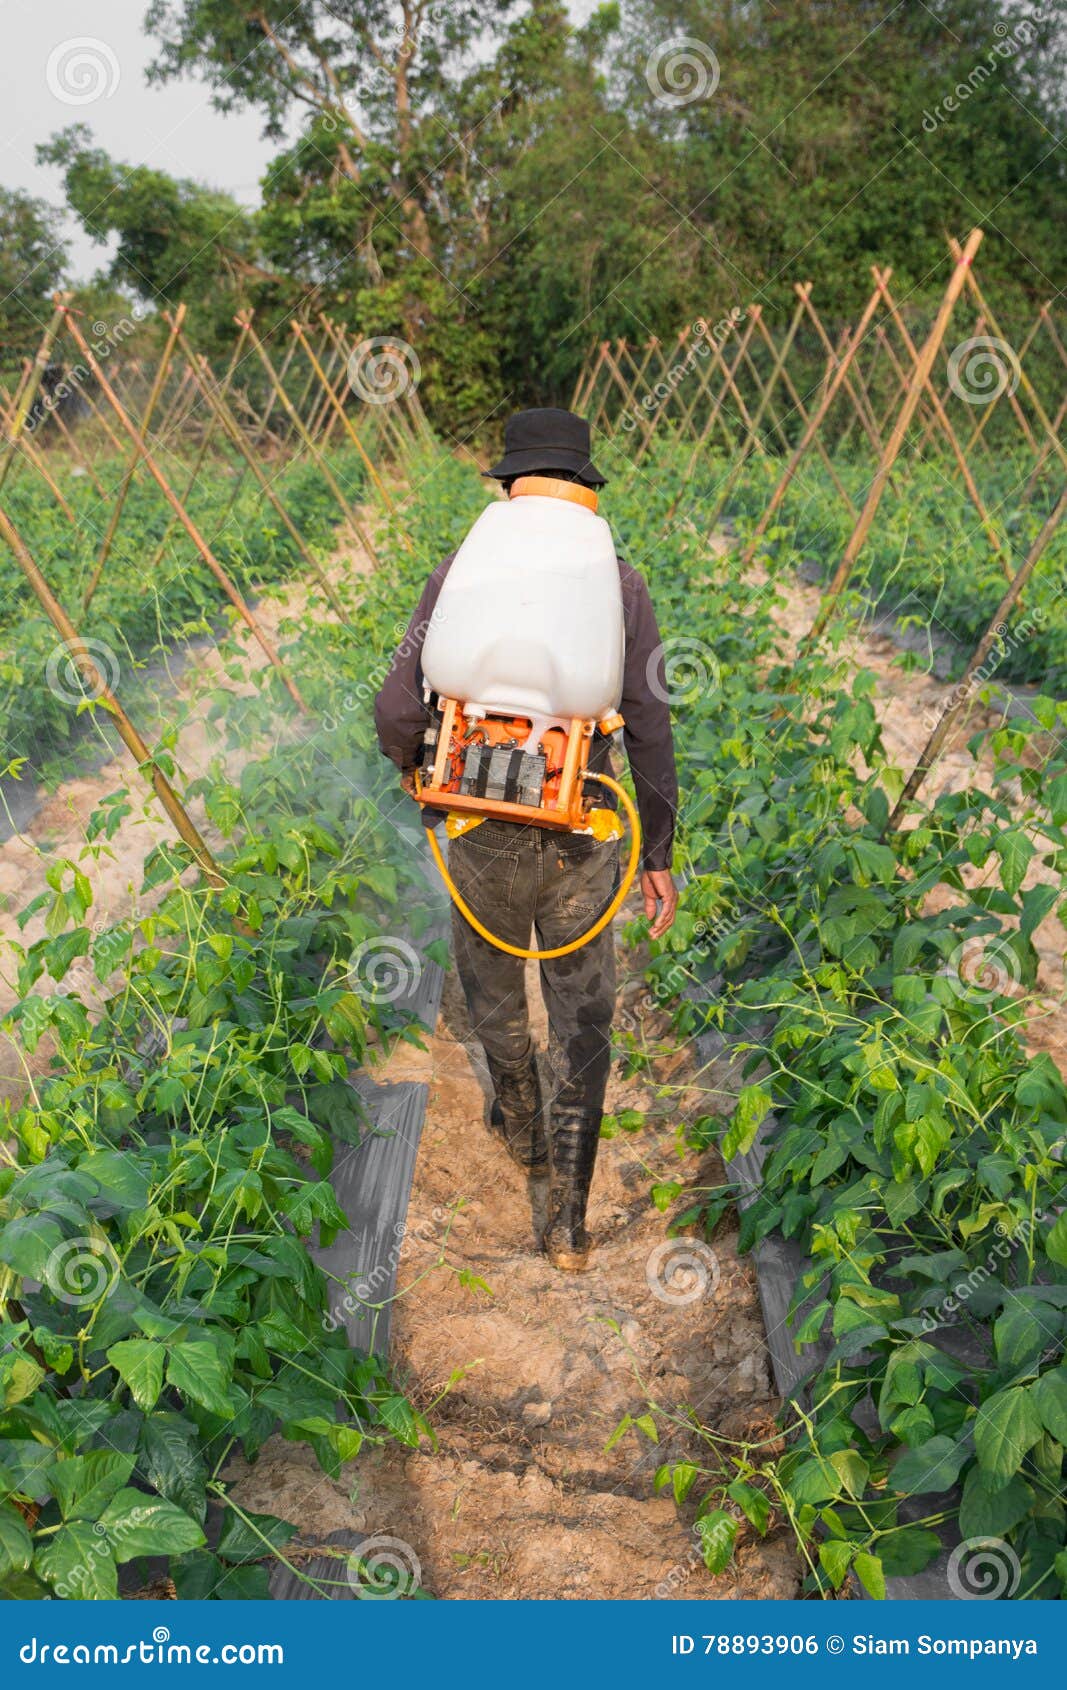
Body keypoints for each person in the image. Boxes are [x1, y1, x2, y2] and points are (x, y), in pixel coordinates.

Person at [374, 407, 677, 1271]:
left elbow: (397, 707)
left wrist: (414, 769)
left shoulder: (455, 576)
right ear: (584, 489)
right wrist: (655, 853)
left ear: (508, 486)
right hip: (584, 825)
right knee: (583, 1010)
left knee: (494, 989)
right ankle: (568, 1223)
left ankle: (527, 1139)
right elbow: (649, 724)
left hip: (476, 823)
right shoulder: (619, 584)